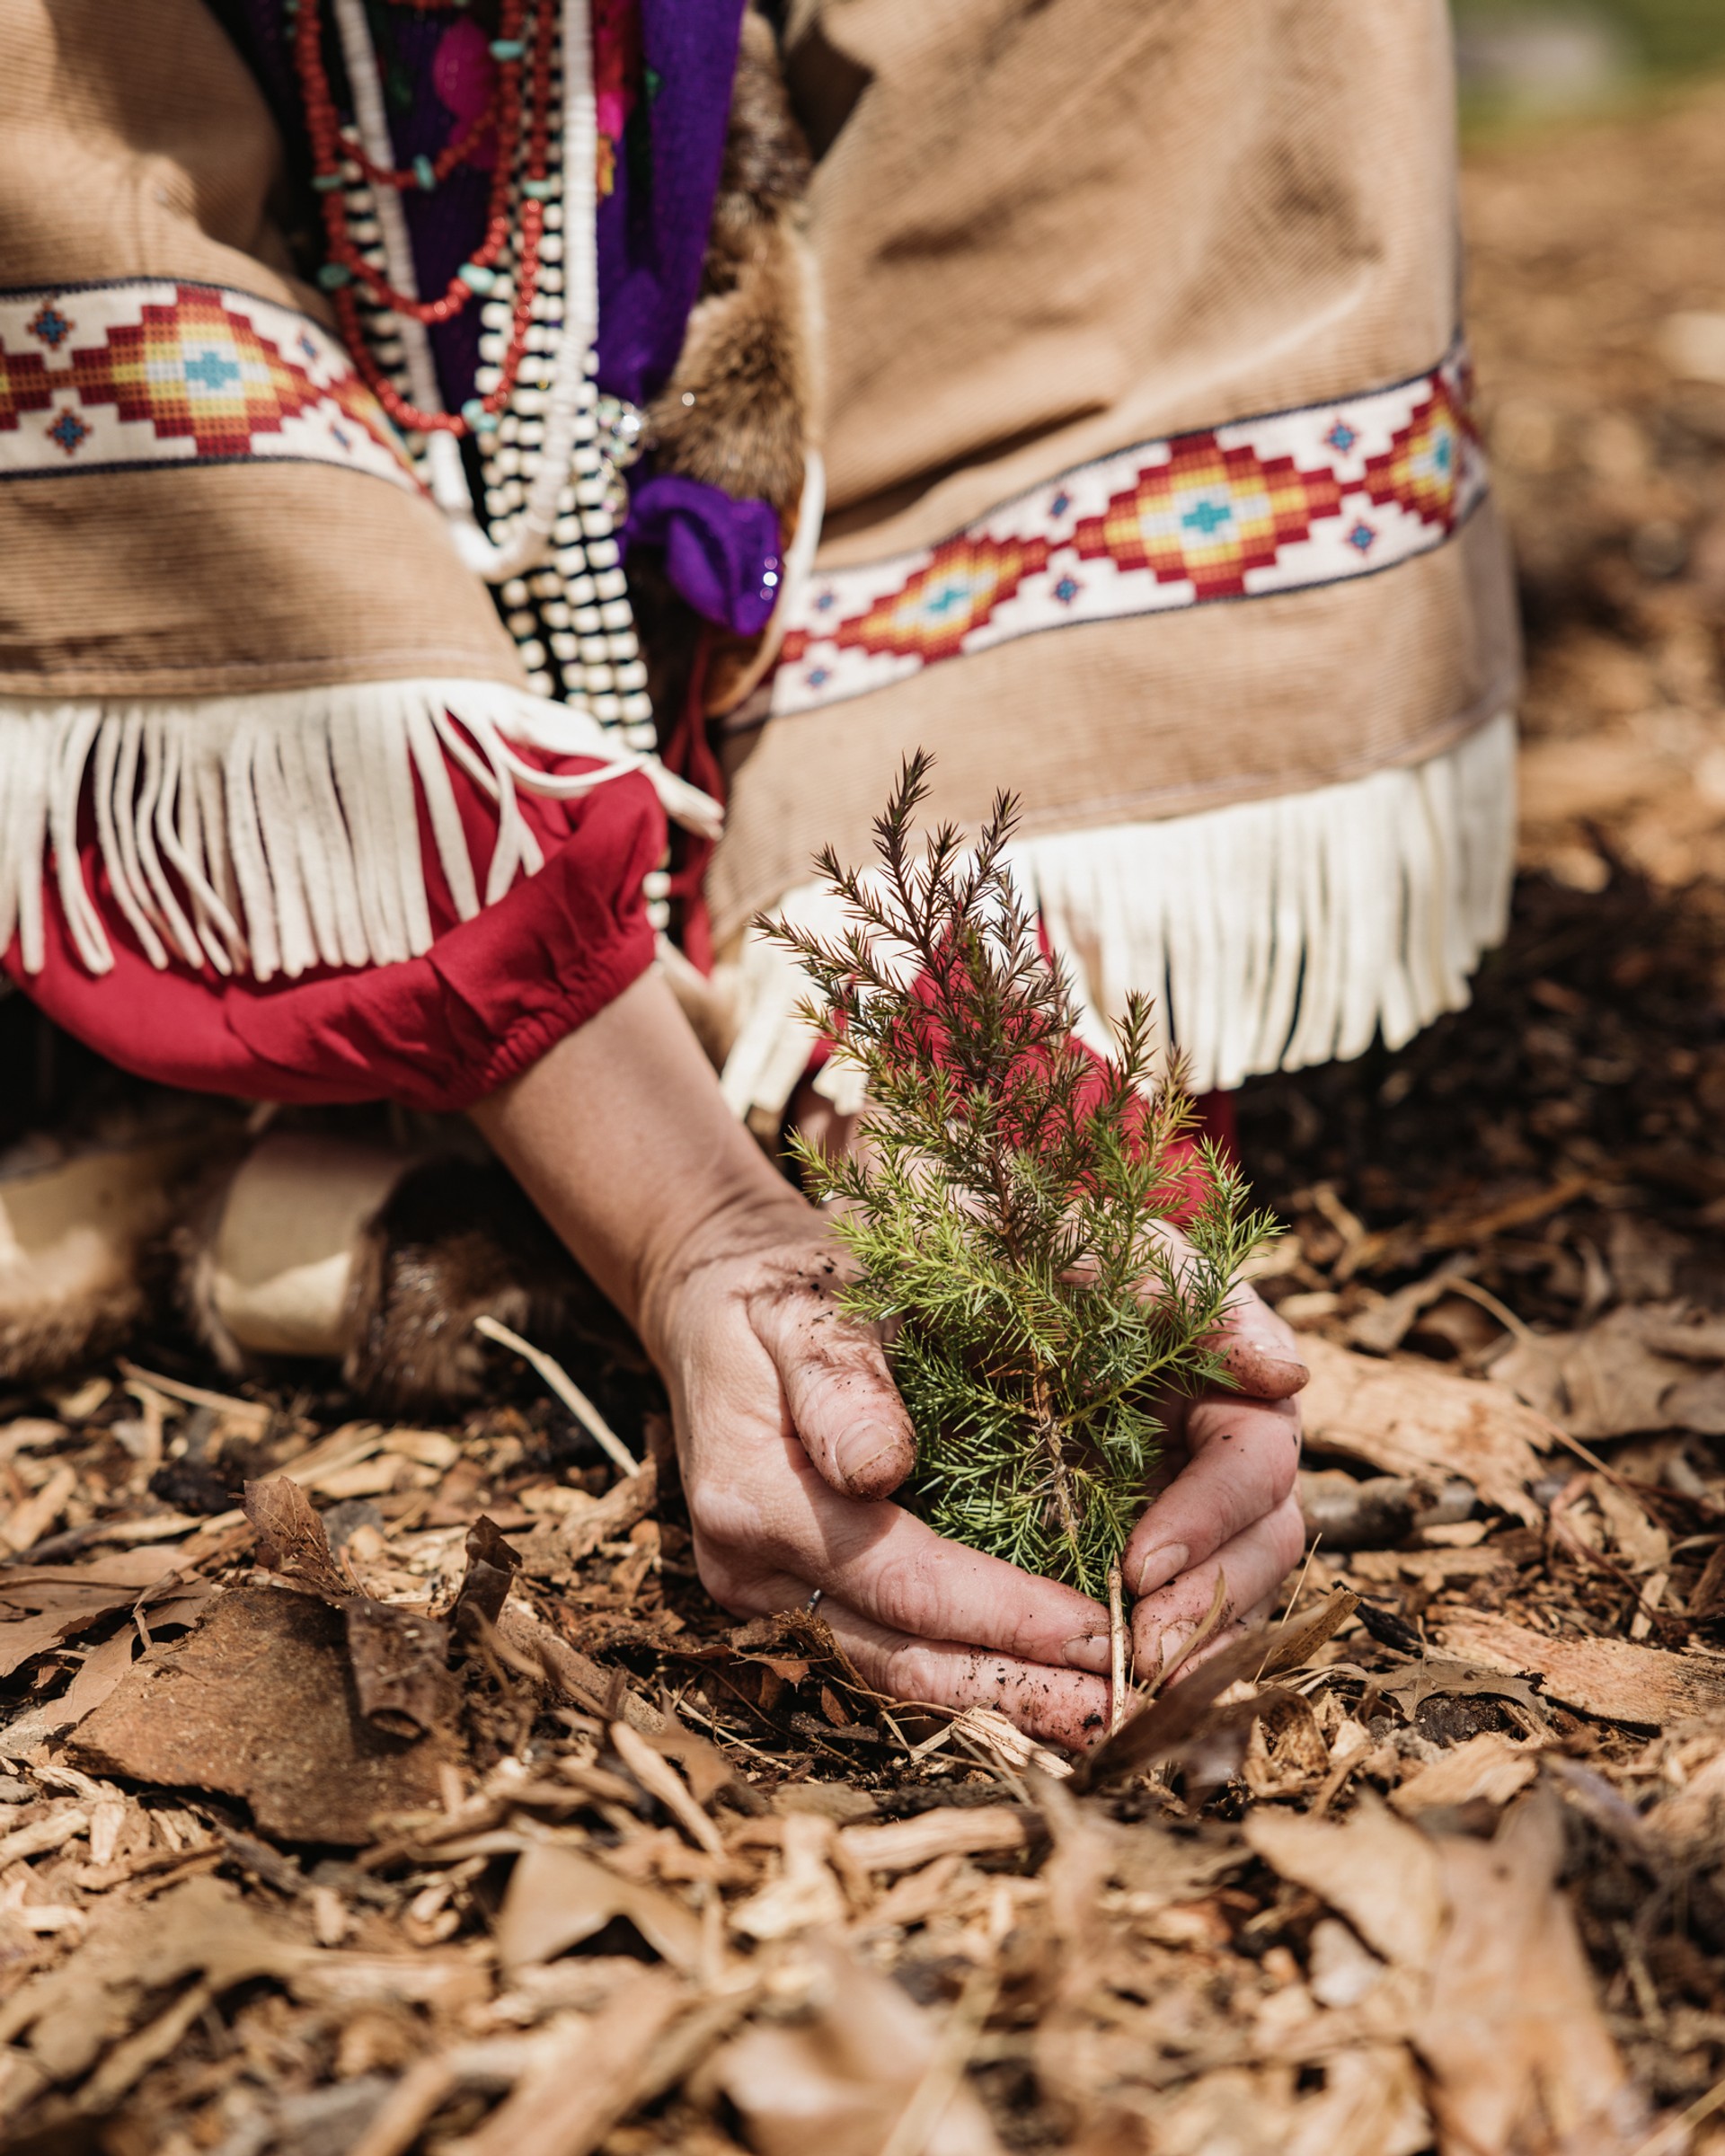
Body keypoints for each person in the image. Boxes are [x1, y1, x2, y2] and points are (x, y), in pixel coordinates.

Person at [0, 0, 1511, 1744]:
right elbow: (64, 190)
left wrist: (978, 1114)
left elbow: (1073, 225)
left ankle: (370, 1193)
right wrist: (687, 1221)